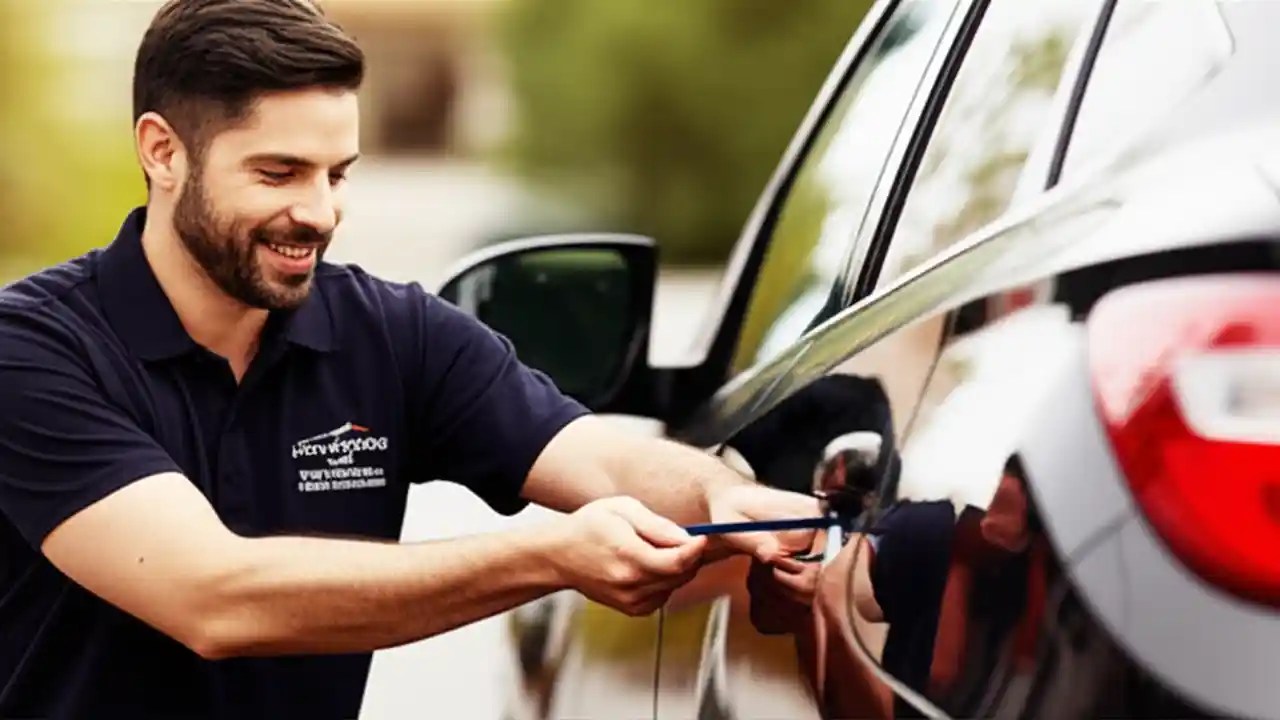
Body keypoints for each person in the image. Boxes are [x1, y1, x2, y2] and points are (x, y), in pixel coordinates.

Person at [0, 1, 821, 718]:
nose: (317, 213)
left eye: (337, 174)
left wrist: (725, 497)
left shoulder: (390, 331)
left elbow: (598, 462)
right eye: (278, 172)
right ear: (162, 152)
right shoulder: (32, 351)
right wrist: (548, 559)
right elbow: (215, 599)